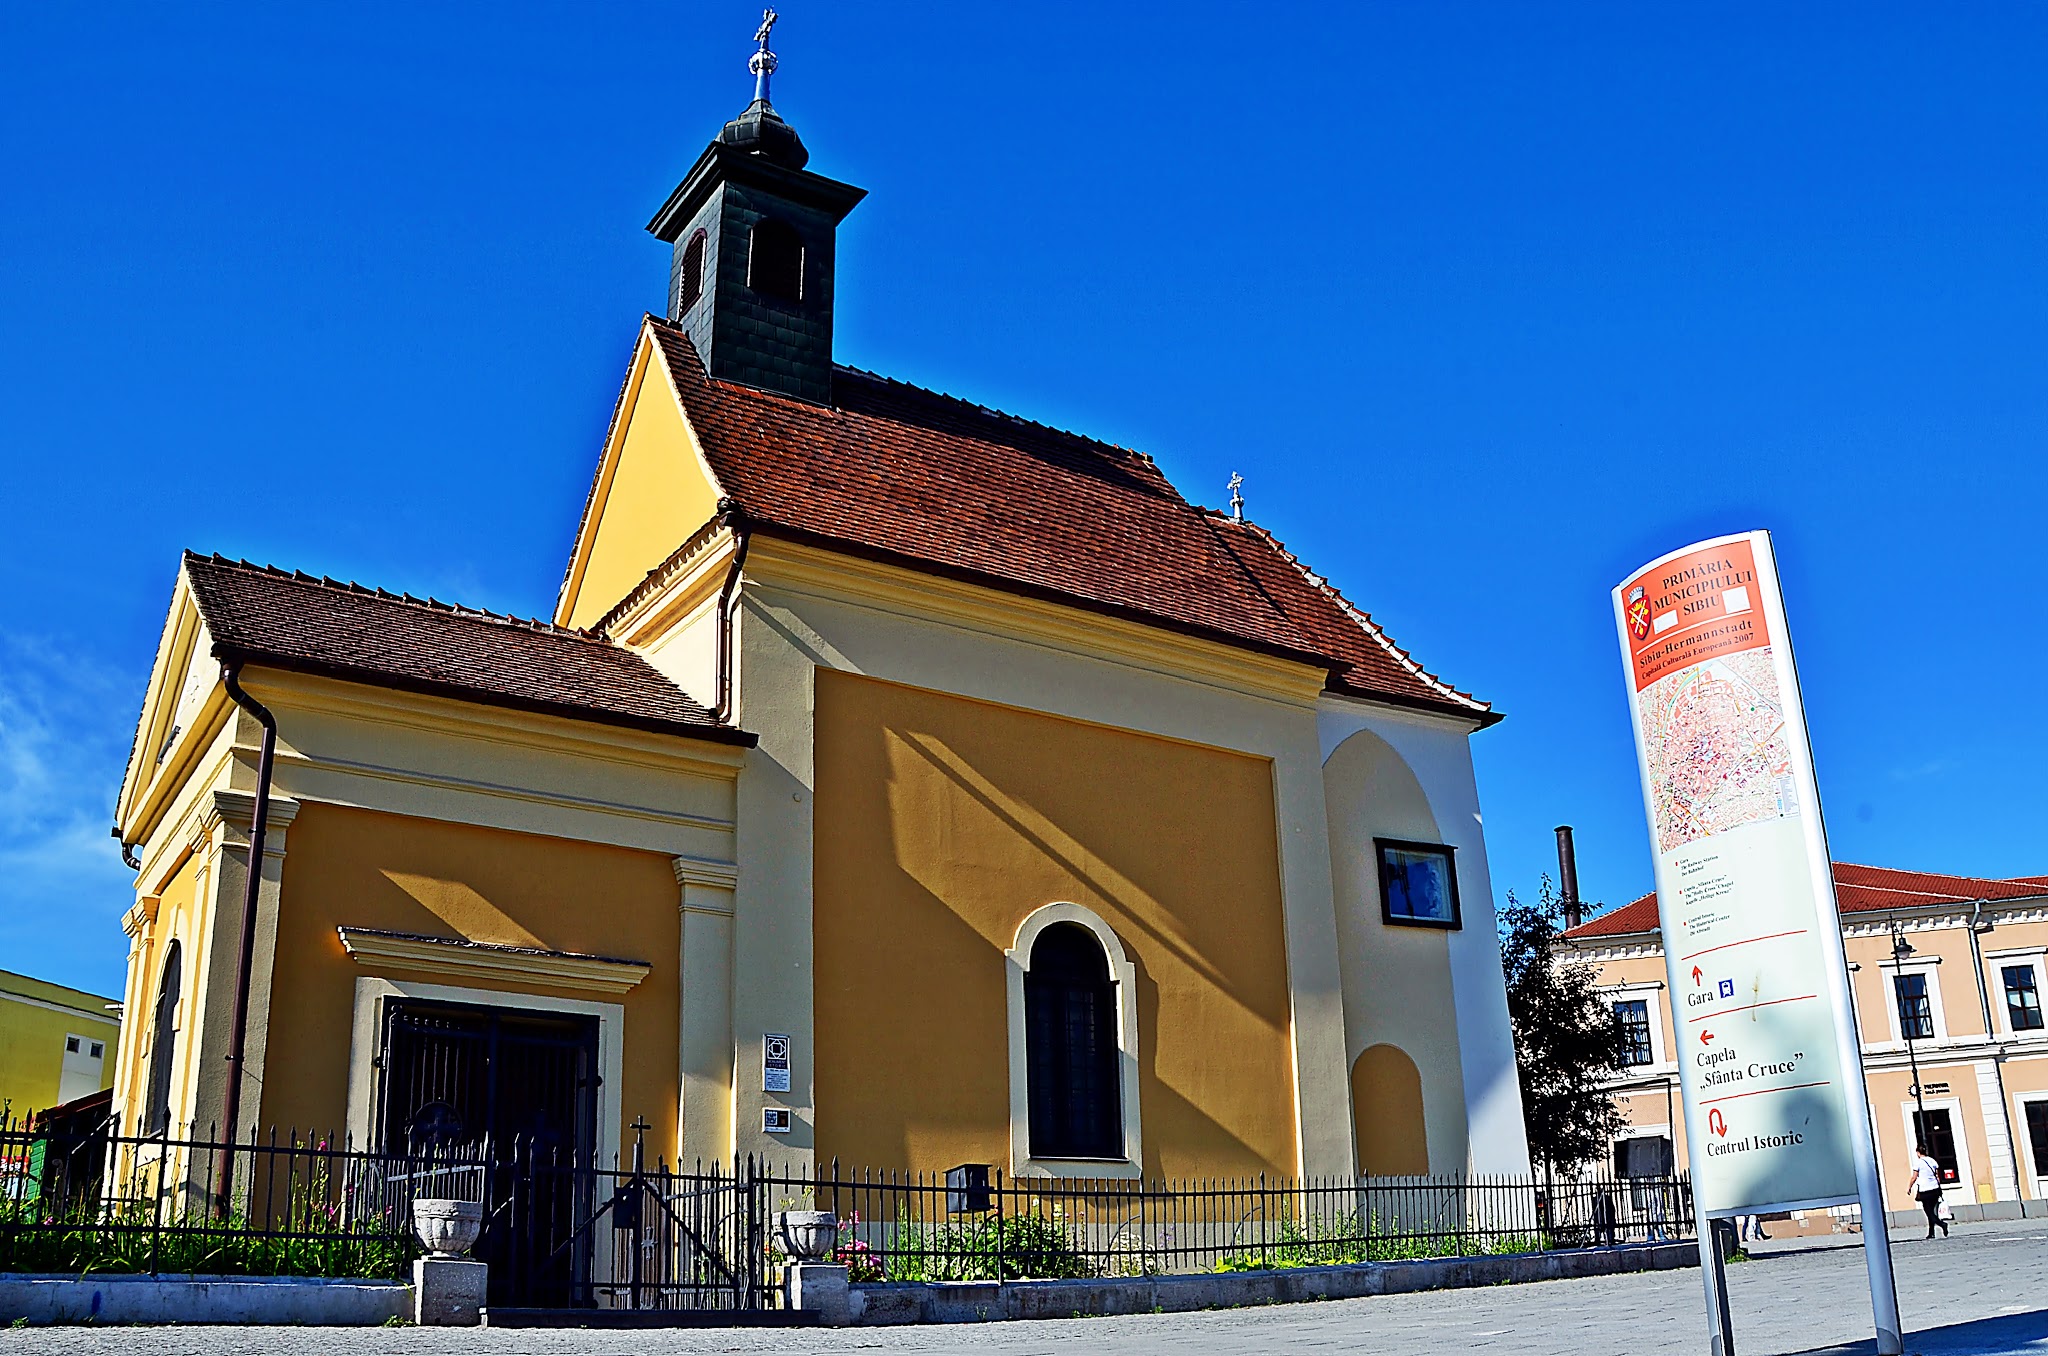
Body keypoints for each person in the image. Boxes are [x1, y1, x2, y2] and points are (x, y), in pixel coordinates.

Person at [1909, 1143, 1948, 1239]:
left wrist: (1909, 1187)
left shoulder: (1918, 1163)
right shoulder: (1932, 1161)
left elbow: (1914, 1177)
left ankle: (1942, 1224)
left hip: (1925, 1190)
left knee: (1929, 1212)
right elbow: (1937, 1176)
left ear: (1918, 1152)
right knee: (1932, 1211)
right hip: (1935, 1189)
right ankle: (1931, 1233)